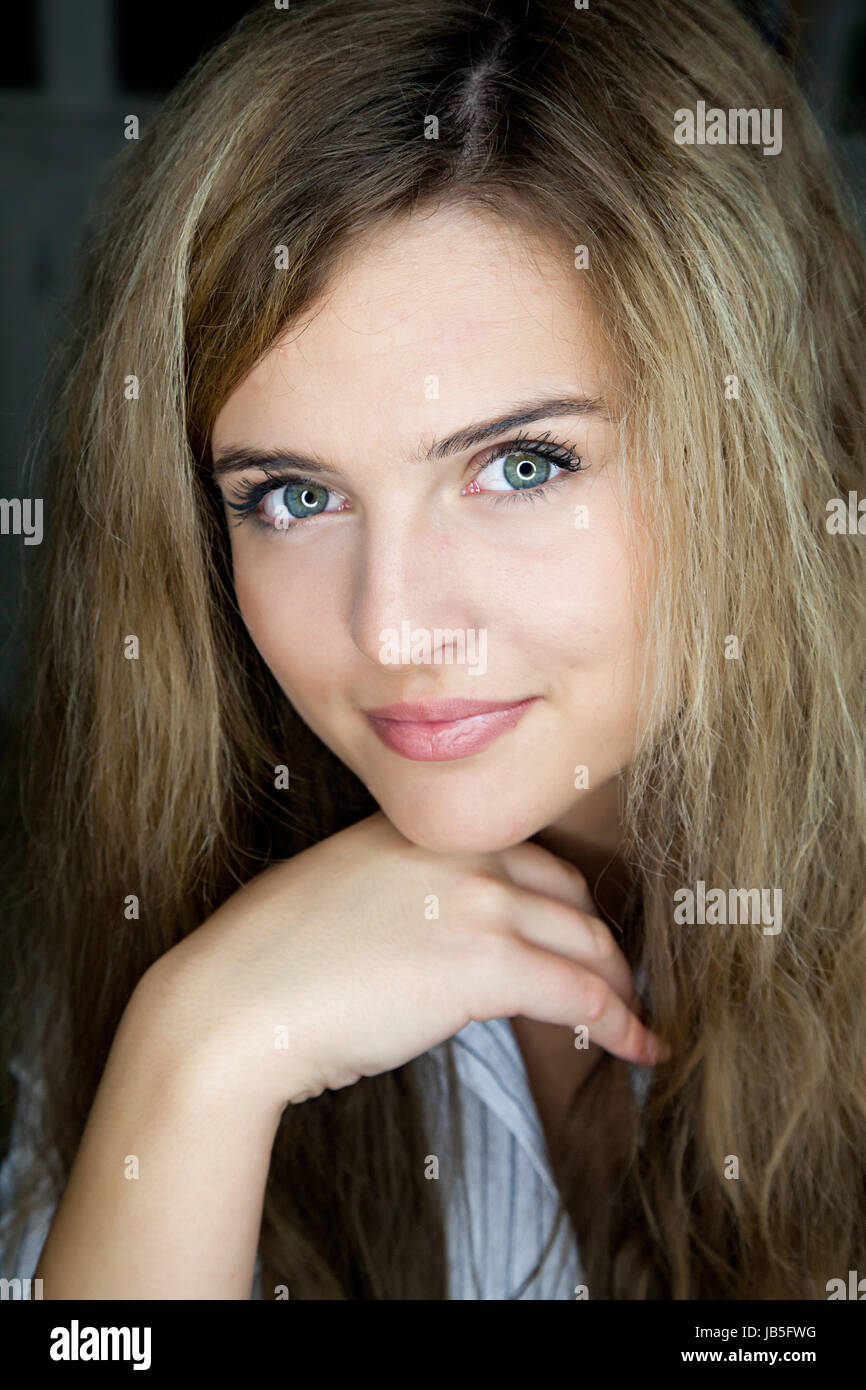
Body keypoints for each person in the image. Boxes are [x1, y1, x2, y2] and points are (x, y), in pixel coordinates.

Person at [1, 0, 864, 1301]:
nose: (390, 628)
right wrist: (197, 1061)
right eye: (291, 495)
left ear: (759, 449)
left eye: (520, 466)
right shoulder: (159, 944)